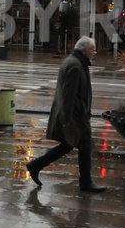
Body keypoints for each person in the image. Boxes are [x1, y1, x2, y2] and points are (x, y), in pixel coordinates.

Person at [25, 36, 107, 193]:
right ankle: (85, 182)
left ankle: (36, 165)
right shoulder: (75, 65)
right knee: (83, 146)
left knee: (69, 145)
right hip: (76, 116)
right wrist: (67, 119)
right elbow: (68, 95)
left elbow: (78, 92)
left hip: (78, 113)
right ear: (84, 50)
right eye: (93, 50)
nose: (94, 53)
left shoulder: (76, 62)